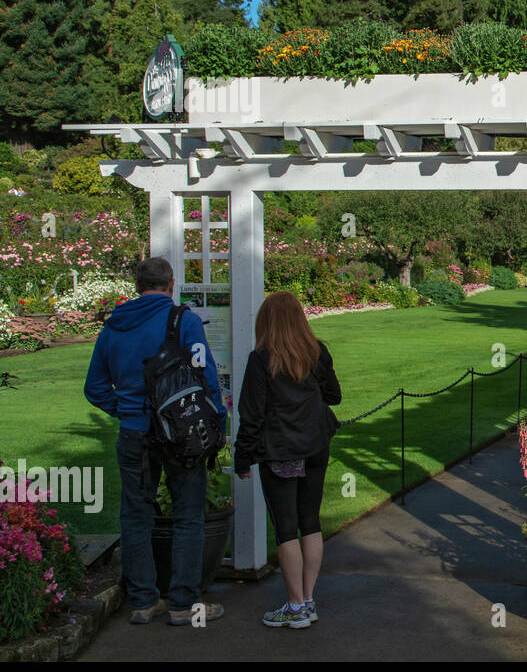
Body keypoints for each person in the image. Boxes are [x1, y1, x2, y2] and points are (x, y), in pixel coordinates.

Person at [84, 257, 227, 626]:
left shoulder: (113, 326)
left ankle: (143, 602)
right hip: (180, 432)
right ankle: (183, 603)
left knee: (135, 517)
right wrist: (218, 422)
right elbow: (206, 377)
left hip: (134, 433)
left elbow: (94, 387)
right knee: (188, 517)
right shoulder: (182, 320)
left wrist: (126, 410)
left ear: (137, 285)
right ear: (171, 284)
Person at [234, 291, 341, 629]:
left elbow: (251, 415)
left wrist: (242, 458)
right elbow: (334, 395)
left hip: (280, 451)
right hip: (315, 447)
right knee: (310, 522)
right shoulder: (316, 352)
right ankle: (307, 600)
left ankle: (296, 605)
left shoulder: (261, 359)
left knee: (286, 529)